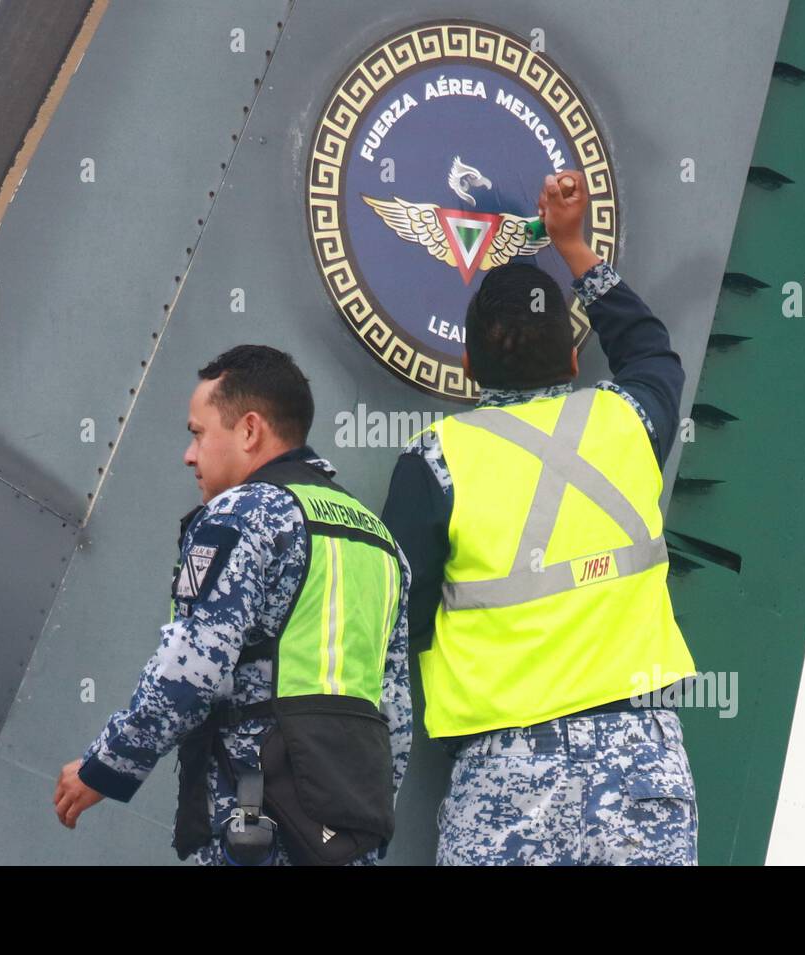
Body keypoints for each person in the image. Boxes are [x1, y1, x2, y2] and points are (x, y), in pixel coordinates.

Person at [381, 170, 699, 865]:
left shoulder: (434, 462)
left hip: (504, 780)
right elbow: (650, 349)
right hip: (639, 765)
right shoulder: (627, 419)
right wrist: (573, 247)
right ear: (577, 356)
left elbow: (394, 628)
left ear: (467, 365)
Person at [54, 344, 412, 865]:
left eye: (198, 433)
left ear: (249, 430)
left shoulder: (242, 513)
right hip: (344, 839)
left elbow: (192, 672)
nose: (189, 454)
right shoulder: (381, 543)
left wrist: (106, 765)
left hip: (254, 827)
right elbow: (396, 713)